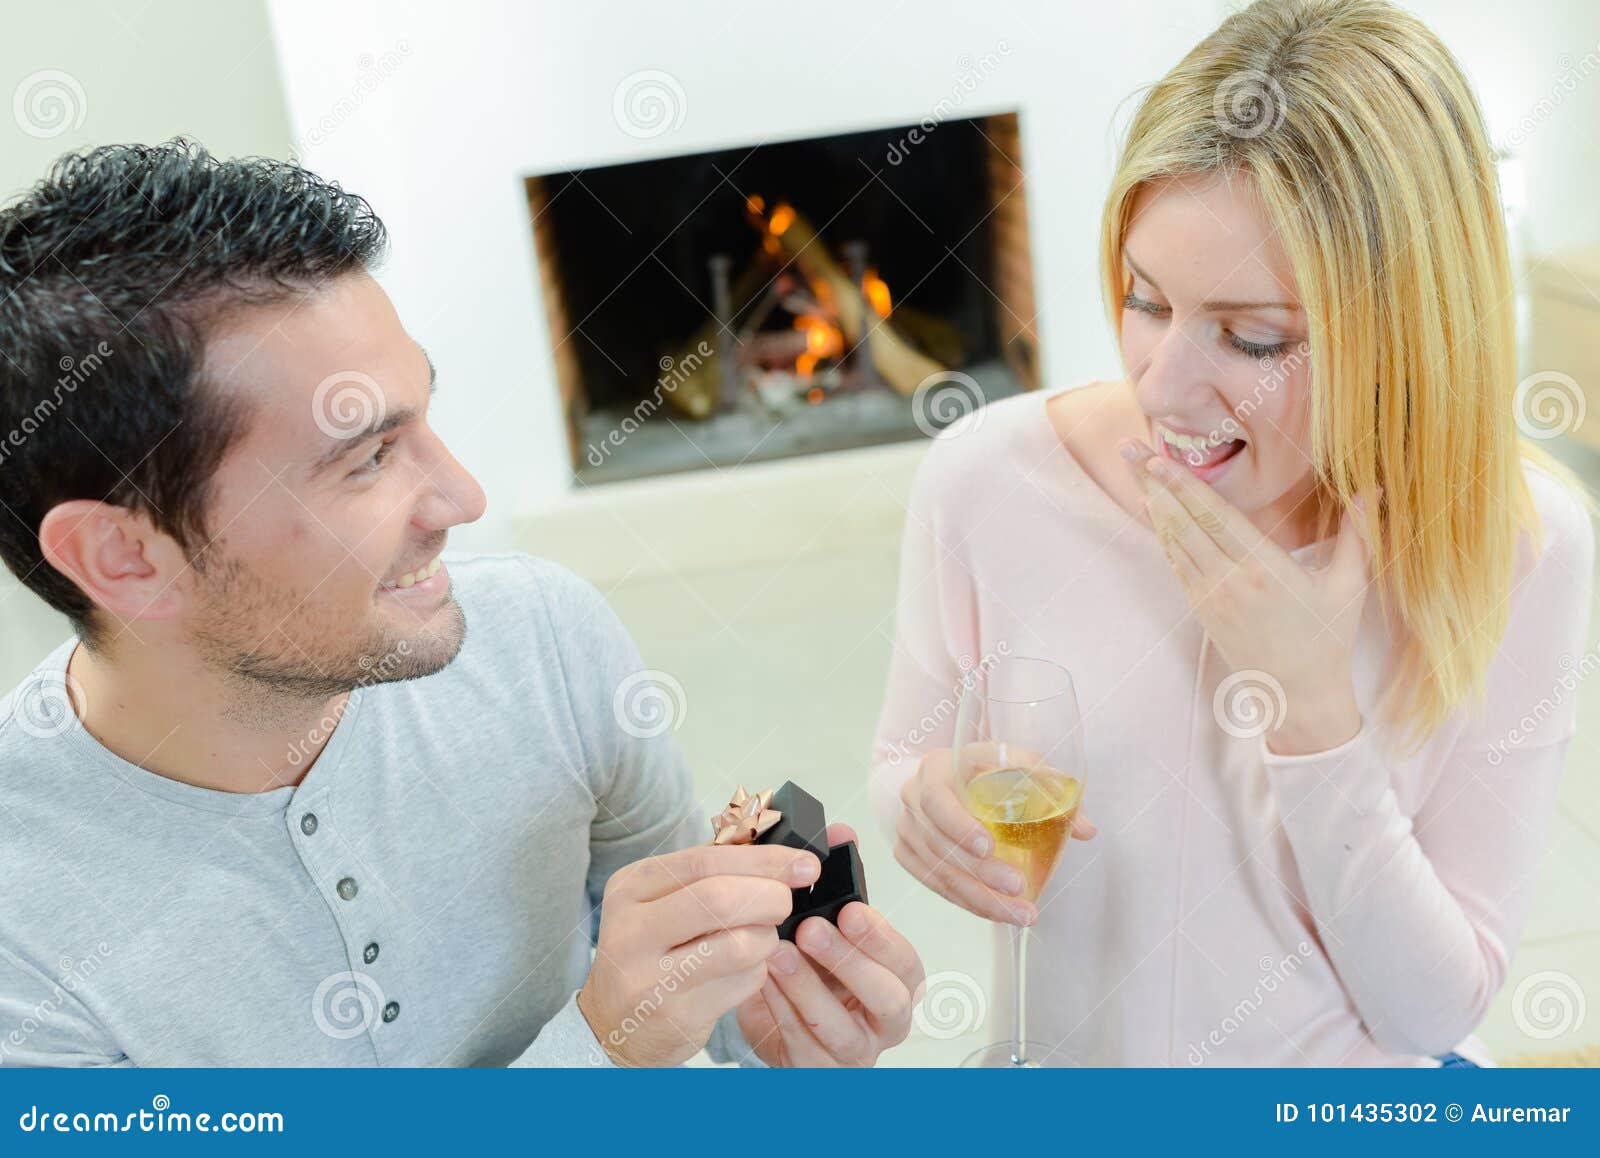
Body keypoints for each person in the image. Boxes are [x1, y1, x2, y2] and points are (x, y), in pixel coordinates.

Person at [0, 139, 922, 1067]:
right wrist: (604, 1050)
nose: (463, 500)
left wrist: (767, 1032)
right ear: (122, 557)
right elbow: (622, 1042)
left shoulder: (542, 641)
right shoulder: (22, 933)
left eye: (423, 421)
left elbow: (698, 1022)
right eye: (366, 459)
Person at [872, 0, 1593, 1066]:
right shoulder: (987, 481)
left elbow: (1433, 1014)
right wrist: (919, 808)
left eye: (1253, 339)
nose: (1162, 385)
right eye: (1144, 300)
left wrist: (1313, 711)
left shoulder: (1521, 538)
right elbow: (903, 759)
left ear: (1401, 330)